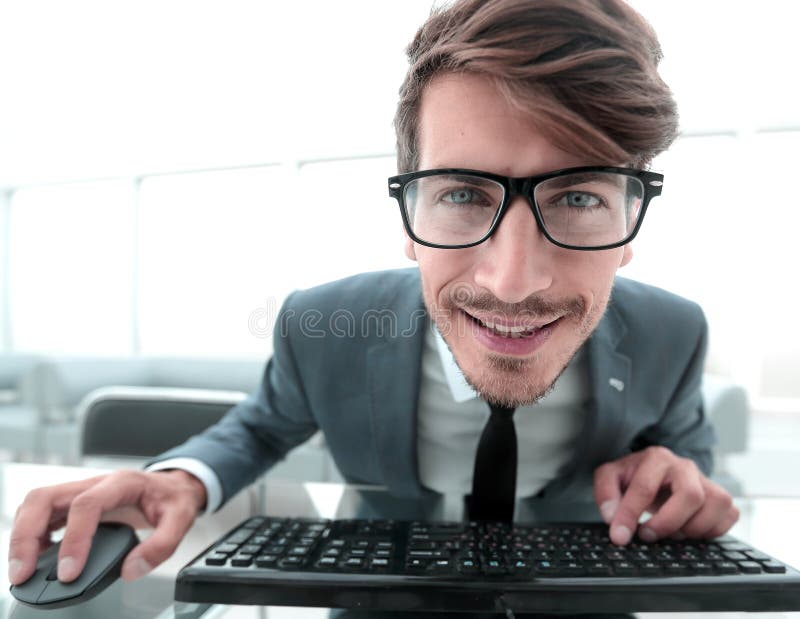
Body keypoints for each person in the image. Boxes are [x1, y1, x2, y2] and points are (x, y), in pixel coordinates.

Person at [8, 0, 738, 588]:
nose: (512, 281)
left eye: (579, 197)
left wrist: (689, 483)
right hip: (379, 595)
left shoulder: (674, 332)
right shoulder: (320, 323)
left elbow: (690, 453)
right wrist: (181, 480)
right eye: (461, 192)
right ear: (409, 223)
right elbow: (259, 429)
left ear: (632, 220)